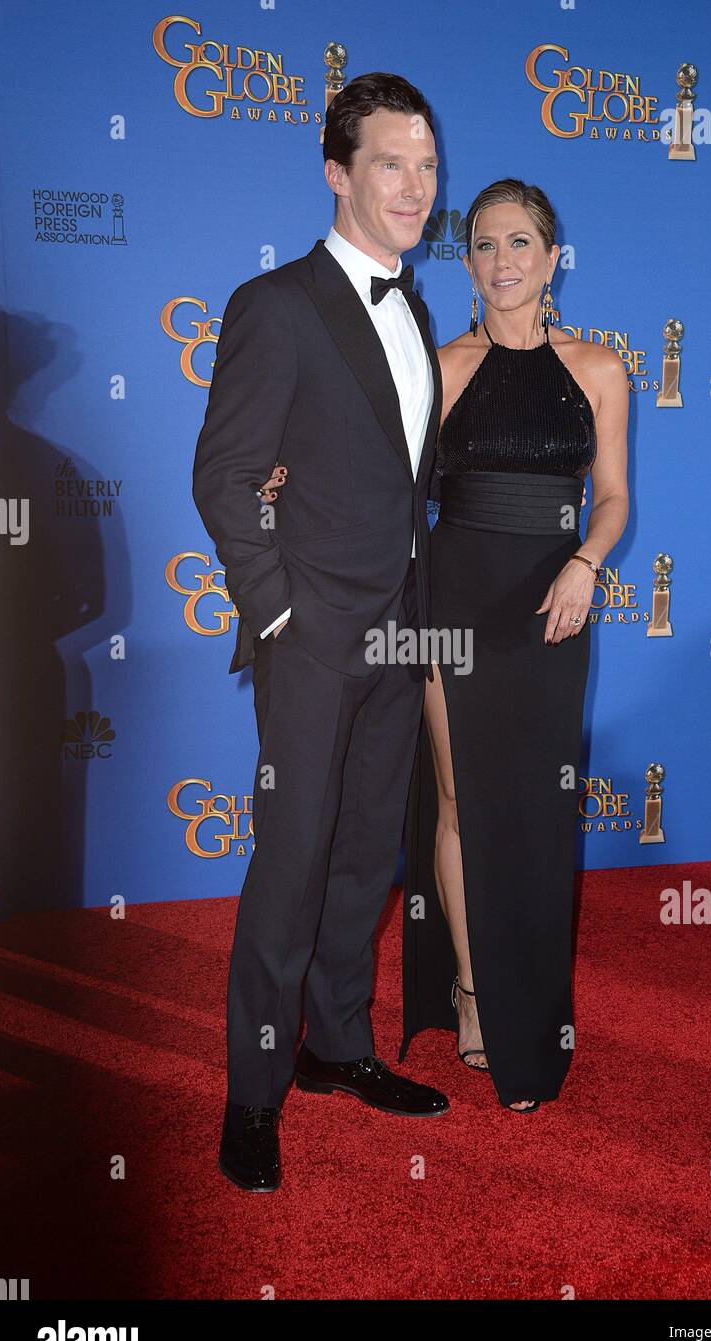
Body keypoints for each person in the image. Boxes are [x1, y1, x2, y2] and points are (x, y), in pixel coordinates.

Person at [192, 73, 450, 1193]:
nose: (414, 185)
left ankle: (335, 1047)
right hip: (312, 634)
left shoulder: (418, 303)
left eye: (427, 164)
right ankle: (253, 1096)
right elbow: (224, 477)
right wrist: (281, 607)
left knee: (362, 857)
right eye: (391, 162)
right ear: (336, 171)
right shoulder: (277, 305)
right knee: (291, 863)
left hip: (398, 628)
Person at [400, 179, 629, 1112]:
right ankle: (470, 990)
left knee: (534, 810)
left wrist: (586, 564)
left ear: (551, 256)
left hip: (553, 604)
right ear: (468, 263)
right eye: (485, 246)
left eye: (521, 243)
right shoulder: (441, 364)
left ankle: (529, 1000)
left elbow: (611, 496)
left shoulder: (601, 368)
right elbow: (391, 491)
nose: (503, 262)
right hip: (452, 597)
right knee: (457, 798)